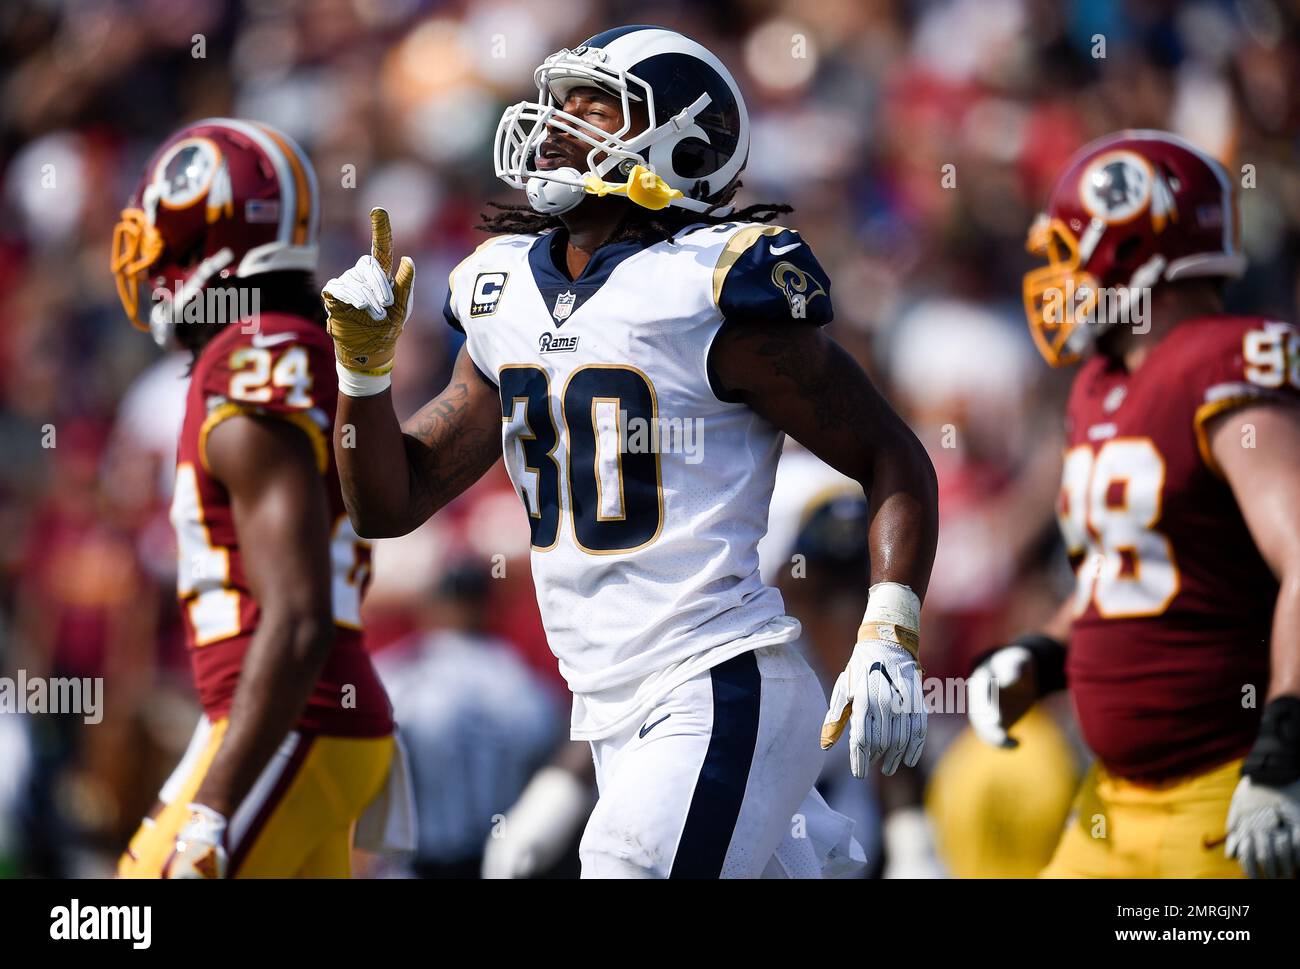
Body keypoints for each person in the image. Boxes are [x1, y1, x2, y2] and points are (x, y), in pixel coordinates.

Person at [322, 25, 938, 878]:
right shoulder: (501, 287)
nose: (557, 121)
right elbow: (390, 502)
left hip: (718, 681)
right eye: (558, 100)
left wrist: (889, 632)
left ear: (684, 141)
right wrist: (363, 373)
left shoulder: (711, 287)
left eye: (592, 104)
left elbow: (892, 455)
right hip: (609, 707)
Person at [968, 130, 1300, 878]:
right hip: (1111, 801)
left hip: (1223, 791)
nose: (1056, 277)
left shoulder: (1224, 360)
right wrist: (1042, 652)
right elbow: (1121, 575)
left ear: (1133, 247)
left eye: (1067, 252)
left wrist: (1285, 741)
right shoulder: (1099, 385)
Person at [111, 119, 405, 878]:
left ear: (209, 232)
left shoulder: (252, 352)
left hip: (292, 716)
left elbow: (299, 614)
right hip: (303, 719)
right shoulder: (267, 343)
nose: (148, 260)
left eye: (162, 237)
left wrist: (214, 806)